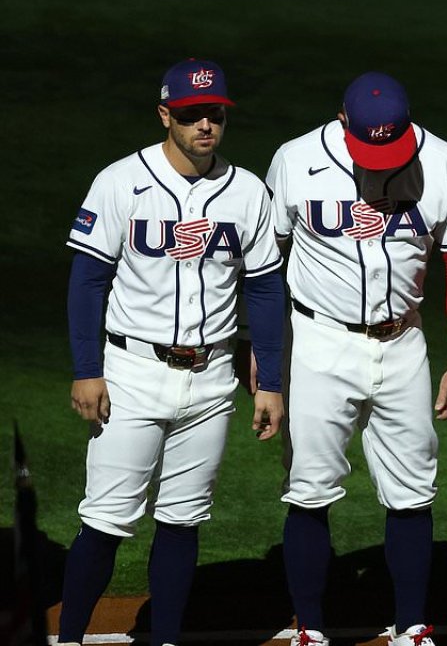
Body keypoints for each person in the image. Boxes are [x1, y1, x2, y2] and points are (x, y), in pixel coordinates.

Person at [60, 58, 286, 646]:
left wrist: (271, 380)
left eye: (214, 114)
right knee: (106, 520)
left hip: (210, 380)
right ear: (166, 115)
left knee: (183, 521)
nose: (204, 126)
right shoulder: (119, 182)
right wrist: (88, 371)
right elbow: (87, 280)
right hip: (131, 372)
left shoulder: (247, 192)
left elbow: (263, 289)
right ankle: (68, 638)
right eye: (191, 115)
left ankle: (164, 640)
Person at [267, 72, 447, 646]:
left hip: (402, 343)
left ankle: (412, 624)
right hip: (318, 342)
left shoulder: (441, 162)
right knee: (309, 487)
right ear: (342, 122)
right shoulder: (294, 162)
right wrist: (267, 355)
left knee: (413, 487)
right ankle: (309, 628)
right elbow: (268, 268)